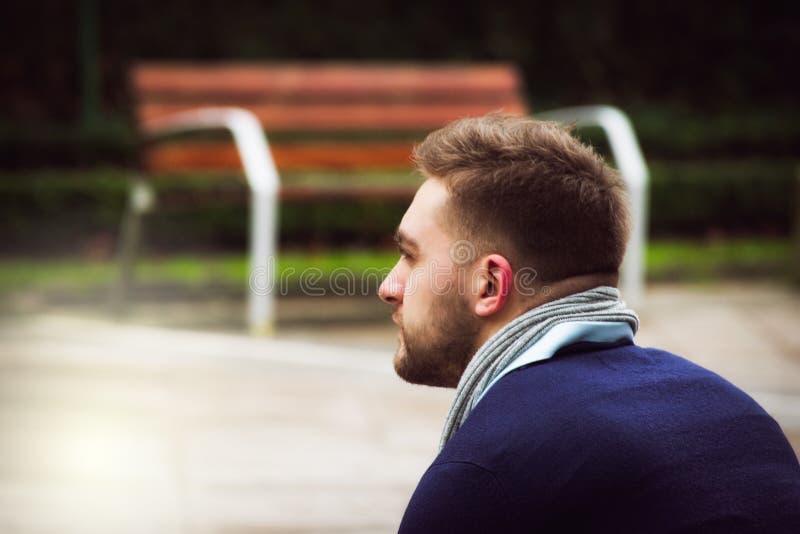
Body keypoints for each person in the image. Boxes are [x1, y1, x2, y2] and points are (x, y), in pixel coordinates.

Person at [377, 114, 800, 533]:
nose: (389, 287)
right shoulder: (741, 419)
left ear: (489, 284)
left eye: (412, 256)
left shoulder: (486, 477)